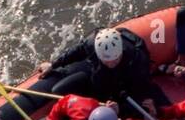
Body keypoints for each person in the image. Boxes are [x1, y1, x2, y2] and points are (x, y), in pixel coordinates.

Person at [30, 27, 163, 112]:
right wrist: (53, 64)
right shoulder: (92, 42)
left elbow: (141, 90)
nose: (112, 63)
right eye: (107, 61)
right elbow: (76, 51)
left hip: (121, 87)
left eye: (115, 60)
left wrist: (120, 108)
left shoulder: (137, 60)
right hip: (97, 78)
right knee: (57, 91)